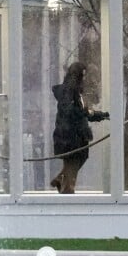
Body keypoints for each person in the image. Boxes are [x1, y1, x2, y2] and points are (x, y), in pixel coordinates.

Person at [50, 61, 108, 194]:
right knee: (74, 161)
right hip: (71, 135)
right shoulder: (70, 91)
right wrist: (88, 113)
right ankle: (67, 187)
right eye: (84, 76)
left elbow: (79, 111)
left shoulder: (72, 91)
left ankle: (62, 180)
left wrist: (99, 115)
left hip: (70, 134)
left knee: (75, 160)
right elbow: (74, 112)